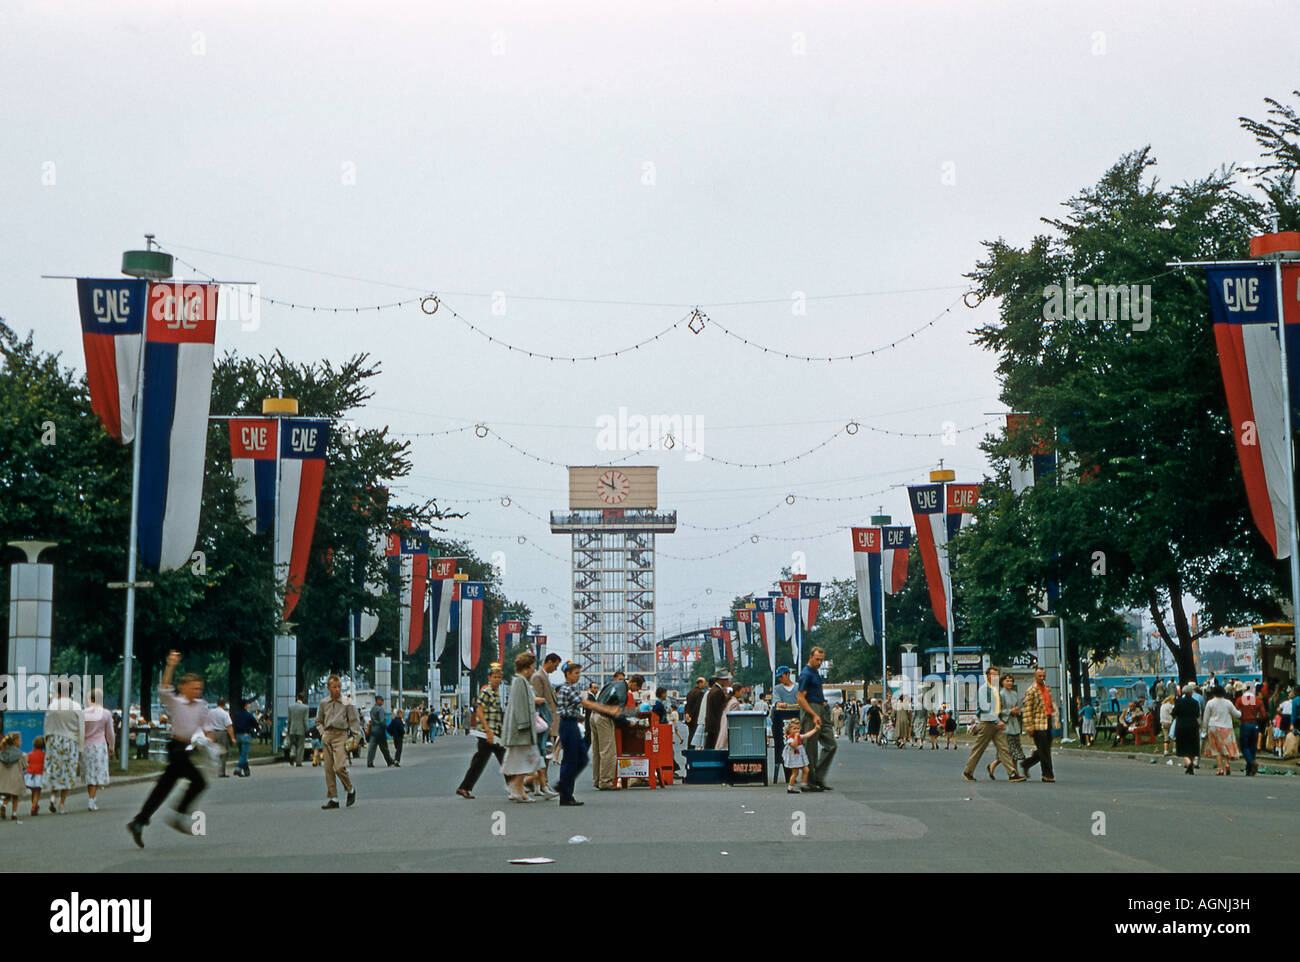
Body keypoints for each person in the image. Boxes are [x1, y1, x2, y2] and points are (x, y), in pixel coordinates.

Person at [126, 651, 211, 847]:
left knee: (164, 787)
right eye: (194, 688)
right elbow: (164, 690)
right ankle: (178, 815)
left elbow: (207, 728)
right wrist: (170, 666)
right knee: (198, 782)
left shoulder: (202, 706)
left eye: (199, 688)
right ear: (183, 688)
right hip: (175, 747)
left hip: (188, 747)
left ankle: (139, 821)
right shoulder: (176, 702)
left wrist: (210, 745)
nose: (197, 691)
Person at [553, 660, 624, 806]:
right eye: (576, 673)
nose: (578, 676)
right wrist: (608, 709)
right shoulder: (567, 689)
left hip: (572, 723)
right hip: (568, 724)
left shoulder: (569, 688)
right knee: (571, 760)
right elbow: (585, 703)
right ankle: (565, 793)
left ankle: (565, 788)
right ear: (568, 674)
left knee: (581, 759)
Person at [962, 667, 1024, 783]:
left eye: (997, 675)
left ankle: (1012, 773)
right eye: (993, 675)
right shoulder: (984, 689)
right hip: (987, 723)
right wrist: (997, 721)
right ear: (987, 676)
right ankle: (968, 771)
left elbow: (997, 708)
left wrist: (1000, 719)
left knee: (1004, 748)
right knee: (979, 748)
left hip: (997, 722)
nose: (995, 677)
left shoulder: (995, 690)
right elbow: (985, 708)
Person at [502, 652, 549, 802]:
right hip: (522, 730)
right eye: (532, 667)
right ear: (526, 668)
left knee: (526, 760)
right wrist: (525, 726)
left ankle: (519, 790)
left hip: (522, 729)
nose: (533, 669)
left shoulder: (519, 681)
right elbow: (521, 706)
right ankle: (517, 788)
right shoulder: (520, 682)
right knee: (529, 760)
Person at [456, 665, 507, 799]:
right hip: (487, 734)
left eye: (499, 677)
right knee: (503, 759)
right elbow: (479, 711)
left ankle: (464, 787)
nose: (497, 679)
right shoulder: (487, 692)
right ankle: (515, 787)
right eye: (494, 677)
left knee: (480, 762)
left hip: (494, 734)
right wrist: (488, 730)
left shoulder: (496, 693)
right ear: (489, 678)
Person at [316, 675, 362, 808]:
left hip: (341, 735)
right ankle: (333, 798)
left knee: (339, 767)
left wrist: (356, 739)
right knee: (328, 769)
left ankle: (350, 789)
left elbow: (354, 721)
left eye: (339, 687)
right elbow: (318, 721)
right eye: (334, 687)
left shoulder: (347, 702)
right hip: (328, 735)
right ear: (328, 688)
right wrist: (322, 733)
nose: (337, 690)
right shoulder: (324, 703)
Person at [797, 648, 837, 791]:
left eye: (821, 659)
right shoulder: (806, 674)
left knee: (831, 744)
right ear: (810, 657)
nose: (819, 662)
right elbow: (800, 698)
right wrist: (813, 714)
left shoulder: (814, 673)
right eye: (817, 659)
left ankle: (817, 777)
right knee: (810, 748)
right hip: (811, 709)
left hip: (820, 707)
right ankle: (808, 781)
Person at [42, 679, 83, 815]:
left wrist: (47, 740)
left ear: (58, 692)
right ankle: (62, 804)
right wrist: (81, 746)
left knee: (55, 770)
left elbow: (47, 726)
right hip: (70, 741)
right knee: (68, 773)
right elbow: (81, 728)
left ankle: (53, 797)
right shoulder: (76, 707)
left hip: (54, 740)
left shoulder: (52, 706)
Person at [1020, 666, 1058, 783]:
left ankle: (1026, 763)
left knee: (1045, 749)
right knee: (1044, 751)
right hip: (1037, 723)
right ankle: (1047, 774)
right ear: (1035, 676)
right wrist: (1029, 726)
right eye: (1039, 676)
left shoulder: (1047, 689)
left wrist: (1055, 720)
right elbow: (1027, 709)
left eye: (1043, 676)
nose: (1042, 678)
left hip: (1047, 721)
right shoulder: (1031, 690)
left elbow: (1051, 705)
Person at [532, 653, 562, 792]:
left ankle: (541, 783)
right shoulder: (538, 677)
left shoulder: (544, 677)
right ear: (549, 662)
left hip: (548, 722)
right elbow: (538, 702)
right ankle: (541, 783)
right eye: (555, 665)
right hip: (545, 722)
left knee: (546, 753)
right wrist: (545, 724)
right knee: (544, 752)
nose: (555, 669)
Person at [82, 688, 115, 811]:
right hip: (100, 745)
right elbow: (110, 732)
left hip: (87, 745)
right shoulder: (106, 713)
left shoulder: (84, 713)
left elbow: (81, 730)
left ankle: (91, 797)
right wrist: (111, 746)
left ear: (91, 699)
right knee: (96, 773)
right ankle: (92, 799)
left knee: (89, 772)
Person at [1202, 685, 1242, 776]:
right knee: (1224, 748)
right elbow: (1237, 714)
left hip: (1213, 727)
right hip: (1226, 727)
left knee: (1216, 749)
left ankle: (1220, 769)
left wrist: (1204, 729)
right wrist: (1241, 712)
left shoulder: (1210, 703)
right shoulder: (1228, 703)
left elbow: (1206, 717)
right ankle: (1227, 764)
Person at [992, 674, 1024, 778]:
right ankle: (1015, 772)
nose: (1009, 683)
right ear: (1002, 682)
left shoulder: (1014, 694)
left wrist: (1018, 711)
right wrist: (1010, 711)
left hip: (1014, 724)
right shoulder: (1000, 694)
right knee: (1008, 750)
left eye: (1011, 681)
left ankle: (993, 766)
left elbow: (1019, 706)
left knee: (1014, 749)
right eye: (1007, 681)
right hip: (1006, 724)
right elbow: (999, 710)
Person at [782, 716, 819, 793]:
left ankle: (803, 785)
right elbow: (794, 745)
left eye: (798, 728)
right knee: (795, 772)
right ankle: (790, 788)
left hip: (800, 755)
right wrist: (796, 737)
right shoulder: (790, 738)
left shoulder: (798, 736)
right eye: (794, 728)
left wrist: (815, 729)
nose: (796, 730)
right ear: (790, 729)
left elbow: (806, 735)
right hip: (794, 756)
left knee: (806, 769)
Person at [1172, 683, 1202, 775]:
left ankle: (1188, 763)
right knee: (1192, 746)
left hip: (1181, 725)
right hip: (1193, 725)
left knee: (1182, 746)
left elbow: (1174, 713)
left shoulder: (1179, 702)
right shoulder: (1195, 702)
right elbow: (1197, 714)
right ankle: (1191, 763)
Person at [1236, 683, 1266, 775]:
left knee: (1244, 746)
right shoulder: (1258, 701)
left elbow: (1236, 712)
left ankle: (1251, 763)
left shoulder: (1240, 700)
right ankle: (1249, 769)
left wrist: (1241, 718)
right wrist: (1256, 718)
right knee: (1252, 747)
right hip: (1254, 725)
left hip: (1245, 724)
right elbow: (1263, 715)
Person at [0, 733, 26, 822]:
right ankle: (14, 814)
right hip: (16, 779)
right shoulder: (21, 754)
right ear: (16, 742)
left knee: (7, 795)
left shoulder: (2, 754)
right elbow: (25, 765)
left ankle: (4, 805)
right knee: (15, 797)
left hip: (4, 780)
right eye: (20, 740)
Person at [703, 671, 731, 751]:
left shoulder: (713, 690)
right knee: (713, 749)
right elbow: (719, 711)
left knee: (709, 747)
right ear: (720, 680)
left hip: (712, 724)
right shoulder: (718, 692)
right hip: (716, 725)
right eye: (726, 679)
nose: (727, 681)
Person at [207, 697, 234, 777]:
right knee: (223, 753)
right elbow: (229, 726)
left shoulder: (211, 712)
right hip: (222, 733)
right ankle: (221, 772)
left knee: (213, 752)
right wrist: (232, 737)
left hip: (212, 732)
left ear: (217, 703)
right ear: (224, 704)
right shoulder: (225, 713)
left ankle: (211, 770)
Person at [366, 695, 396, 767]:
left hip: (373, 730)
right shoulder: (380, 710)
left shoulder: (372, 709)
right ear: (378, 700)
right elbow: (382, 721)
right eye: (381, 700)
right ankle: (389, 761)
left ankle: (369, 762)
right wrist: (386, 728)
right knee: (384, 748)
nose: (382, 701)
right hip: (380, 731)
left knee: (372, 747)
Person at [230, 698, 257, 776]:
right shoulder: (248, 715)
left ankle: (246, 770)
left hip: (238, 735)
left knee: (242, 753)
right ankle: (238, 768)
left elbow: (233, 724)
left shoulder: (236, 715)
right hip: (246, 734)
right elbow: (255, 724)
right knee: (244, 754)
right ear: (245, 705)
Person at [23, 736, 45, 816]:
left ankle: (34, 805)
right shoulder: (44, 755)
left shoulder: (29, 754)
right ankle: (34, 806)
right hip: (39, 775)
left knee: (33, 791)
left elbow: (26, 763)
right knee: (37, 792)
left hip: (29, 775)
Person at [287, 694, 310, 767]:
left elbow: (289, 719)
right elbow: (305, 720)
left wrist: (288, 729)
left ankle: (292, 754)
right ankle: (298, 762)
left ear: (297, 698)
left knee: (293, 743)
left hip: (292, 729)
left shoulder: (291, 707)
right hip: (301, 729)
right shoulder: (305, 708)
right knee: (300, 745)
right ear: (303, 699)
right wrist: (307, 729)